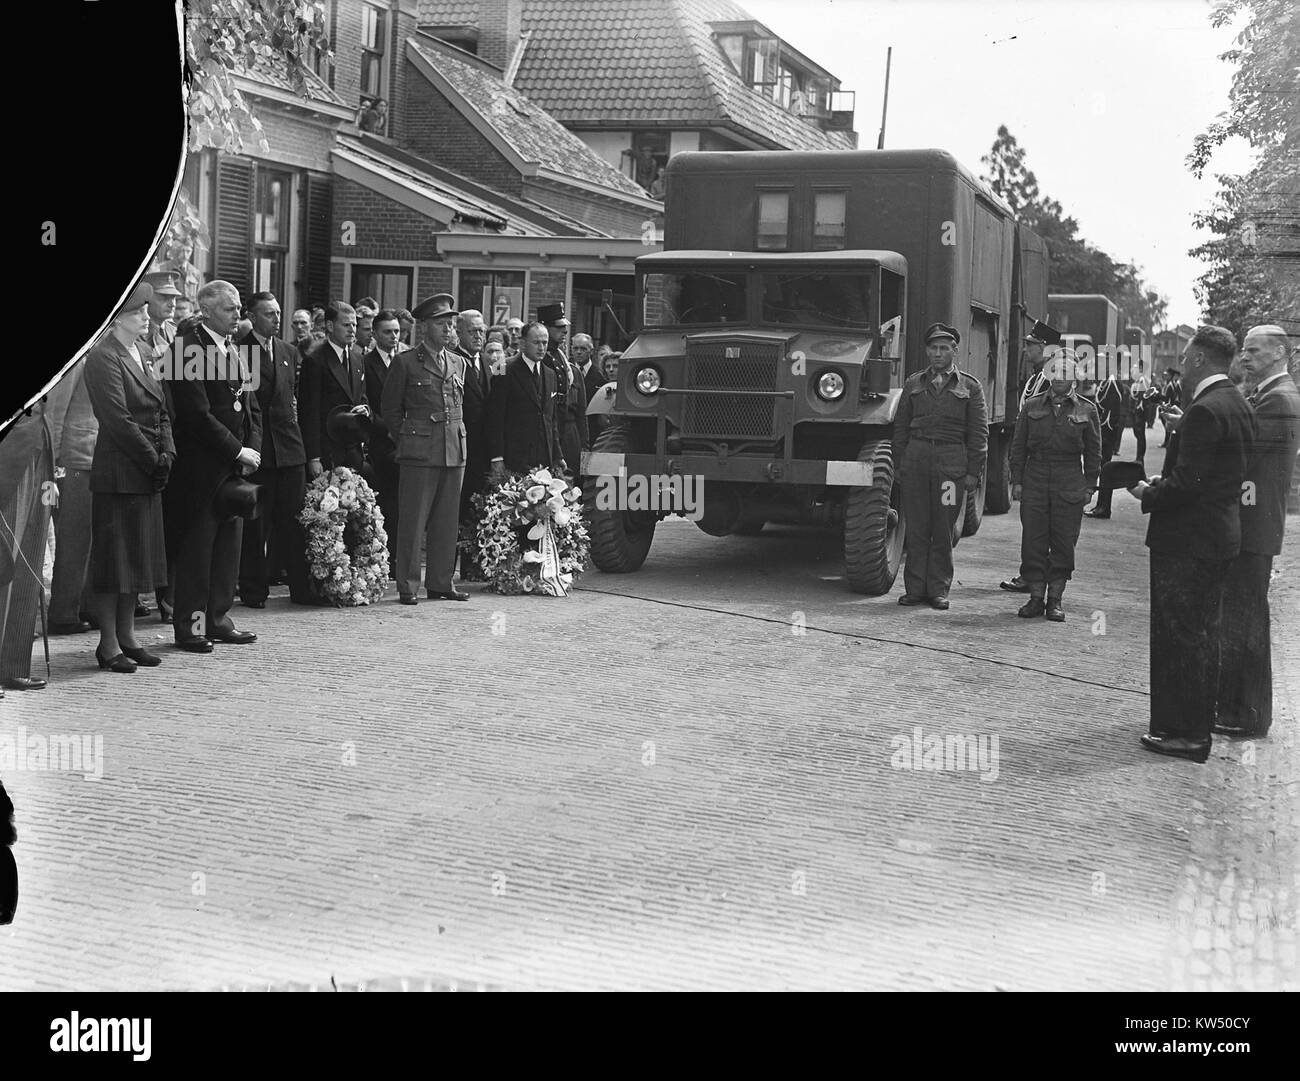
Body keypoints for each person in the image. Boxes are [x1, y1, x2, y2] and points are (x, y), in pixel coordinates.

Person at [1124, 325, 1255, 762]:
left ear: (1200, 360)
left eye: (1184, 359)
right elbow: (1213, 476)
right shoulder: (1236, 403)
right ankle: (1186, 726)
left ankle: (1187, 734)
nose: (1180, 367)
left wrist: (1149, 492)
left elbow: (1187, 488)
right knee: (1202, 635)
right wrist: (1174, 481)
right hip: (1216, 536)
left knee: (1181, 637)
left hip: (1188, 542)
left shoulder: (1204, 410)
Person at [81, 282, 175, 672]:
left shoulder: (143, 353)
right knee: (114, 561)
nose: (146, 317)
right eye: (138, 312)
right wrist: (152, 458)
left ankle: (127, 636)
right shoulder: (103, 357)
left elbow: (161, 409)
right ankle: (107, 644)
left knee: (136, 560)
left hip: (145, 470)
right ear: (118, 318)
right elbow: (117, 420)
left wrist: (167, 452)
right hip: (120, 473)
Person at [165, 280, 263, 653]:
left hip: (236, 467)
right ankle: (191, 627)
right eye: (228, 309)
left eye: (238, 307)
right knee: (198, 551)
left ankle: (219, 619)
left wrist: (252, 450)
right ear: (206, 311)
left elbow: (252, 409)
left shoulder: (238, 350)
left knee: (228, 550)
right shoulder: (184, 350)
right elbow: (195, 415)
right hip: (202, 469)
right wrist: (237, 451)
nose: (237, 314)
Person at [1214, 325, 1300, 738]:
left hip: (1253, 527)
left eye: (1253, 350)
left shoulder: (1278, 400)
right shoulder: (1272, 394)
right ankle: (1238, 709)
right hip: (1253, 524)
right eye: (1243, 350)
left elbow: (1241, 455)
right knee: (1244, 618)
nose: (1244, 357)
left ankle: (1244, 714)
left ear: (1280, 353)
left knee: (1245, 620)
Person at [892, 322, 988, 610]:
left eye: (944, 348)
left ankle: (938, 589)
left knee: (943, 527)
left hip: (950, 467)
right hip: (917, 463)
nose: (937, 353)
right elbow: (900, 428)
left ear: (954, 351)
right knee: (918, 527)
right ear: (926, 351)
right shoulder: (913, 384)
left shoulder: (970, 387)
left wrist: (973, 471)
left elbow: (979, 433)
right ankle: (914, 589)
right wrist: (900, 464)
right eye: (933, 348)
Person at [381, 294, 468, 605]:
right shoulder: (406, 362)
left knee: (447, 521)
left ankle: (441, 582)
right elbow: (390, 409)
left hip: (453, 447)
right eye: (442, 324)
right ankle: (407, 585)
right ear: (425, 327)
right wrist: (406, 440)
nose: (448, 330)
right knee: (414, 521)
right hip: (420, 448)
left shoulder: (458, 361)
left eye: (451, 324)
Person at [1008, 348, 1101, 621]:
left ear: (1075, 376)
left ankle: (1055, 601)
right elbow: (1018, 446)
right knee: (1033, 541)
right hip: (1036, 477)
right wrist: (1018, 481)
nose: (1059, 377)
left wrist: (1090, 485)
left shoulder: (1087, 409)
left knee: (1063, 542)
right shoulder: (1032, 406)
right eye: (1054, 371)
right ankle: (1036, 598)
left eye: (1065, 372)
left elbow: (1094, 452)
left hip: (1069, 478)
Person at [235, 292, 311, 608]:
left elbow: (292, 400)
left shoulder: (289, 351)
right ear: (251, 316)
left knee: (294, 521)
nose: (276, 319)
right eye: (269, 314)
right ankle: (254, 590)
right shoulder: (239, 352)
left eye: (278, 313)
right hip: (259, 451)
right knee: (256, 526)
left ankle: (301, 588)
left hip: (290, 449)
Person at [0, 399, 54, 691]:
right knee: (3, 565)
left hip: (37, 445)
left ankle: (12, 666)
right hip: (8, 454)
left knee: (28, 563)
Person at [44, 352, 99, 635]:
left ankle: (82, 605)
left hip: (93, 456)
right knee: (74, 540)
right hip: (74, 458)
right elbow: (55, 412)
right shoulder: (76, 361)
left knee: (87, 538)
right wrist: (52, 464)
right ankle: (64, 612)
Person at [1000, 326, 1056, 592]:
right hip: (1032, 458)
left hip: (1041, 460)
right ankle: (1031, 574)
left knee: (1036, 524)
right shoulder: (1038, 378)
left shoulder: (1049, 381)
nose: (1027, 349)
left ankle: (1033, 577)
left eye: (1032, 344)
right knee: (1031, 523)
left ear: (1045, 348)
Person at [299, 301, 371, 477]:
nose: (352, 330)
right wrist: (313, 458)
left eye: (354, 325)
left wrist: (365, 409)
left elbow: (362, 397)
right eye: (346, 325)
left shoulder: (357, 359)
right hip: (327, 450)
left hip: (353, 448)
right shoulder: (315, 360)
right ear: (330, 326)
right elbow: (309, 412)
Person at [486, 321, 567, 478]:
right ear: (522, 344)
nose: (541, 347)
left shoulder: (550, 374)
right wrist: (497, 457)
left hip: (544, 459)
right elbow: (494, 418)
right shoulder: (503, 368)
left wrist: (558, 455)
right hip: (515, 458)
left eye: (544, 342)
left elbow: (552, 420)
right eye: (536, 343)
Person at [364, 309, 405, 572]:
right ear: (375, 334)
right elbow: (366, 404)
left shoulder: (405, 361)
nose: (393, 337)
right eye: (388, 332)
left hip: (405, 441)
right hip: (380, 443)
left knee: (403, 504)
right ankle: (383, 558)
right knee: (385, 502)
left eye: (397, 332)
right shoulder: (365, 363)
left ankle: (400, 557)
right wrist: (389, 429)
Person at [454, 309, 492, 583]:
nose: (478, 336)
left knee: (477, 510)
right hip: (458, 448)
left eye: (482, 331)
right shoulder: (453, 361)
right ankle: (450, 567)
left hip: (482, 452)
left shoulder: (487, 364)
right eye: (472, 331)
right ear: (459, 332)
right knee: (456, 512)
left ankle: (472, 566)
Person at [539, 302, 587, 472]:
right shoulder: (541, 359)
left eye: (564, 327)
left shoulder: (563, 359)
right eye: (558, 328)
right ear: (545, 327)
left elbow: (581, 409)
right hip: (549, 427)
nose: (564, 332)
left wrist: (584, 442)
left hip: (568, 427)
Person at [1083, 369, 1128, 519]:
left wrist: (1103, 432)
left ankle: (1104, 507)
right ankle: (1101, 505)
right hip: (1104, 430)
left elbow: (1111, 411)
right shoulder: (1106, 381)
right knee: (1103, 468)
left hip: (1106, 431)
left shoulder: (1112, 382)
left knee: (1105, 469)